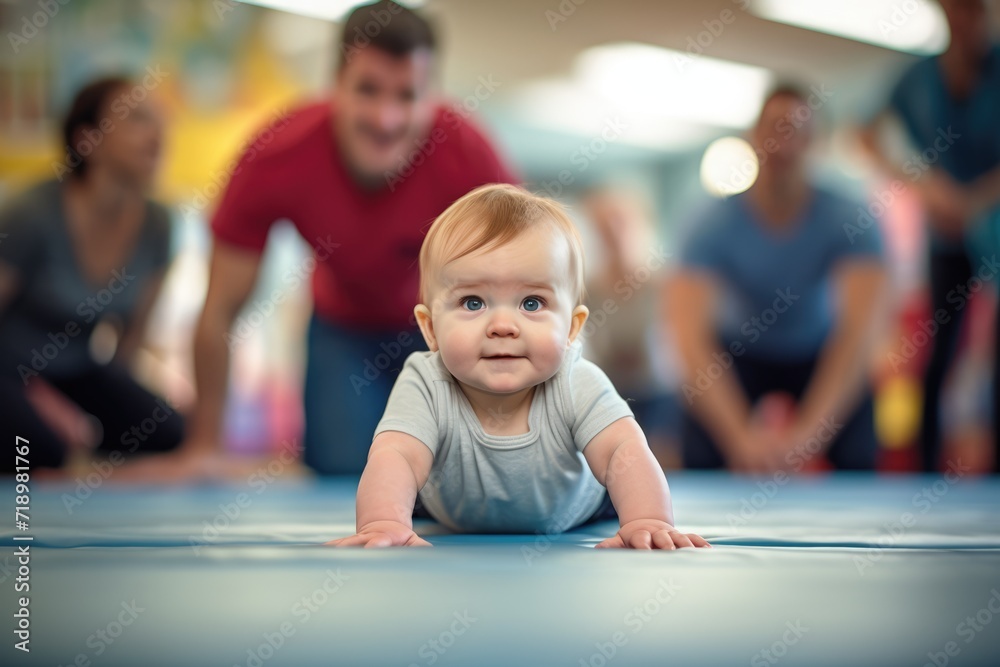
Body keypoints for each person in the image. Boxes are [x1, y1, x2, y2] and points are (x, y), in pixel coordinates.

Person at [182, 0, 518, 475]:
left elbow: (524, 293)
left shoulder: (469, 156)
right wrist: (203, 445)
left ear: (432, 98)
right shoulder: (278, 156)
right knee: (342, 473)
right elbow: (219, 308)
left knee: (466, 474)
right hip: (341, 328)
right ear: (335, 86)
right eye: (368, 90)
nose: (386, 119)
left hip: (442, 331)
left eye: (407, 95)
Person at [328, 184, 710, 549]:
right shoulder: (427, 381)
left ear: (571, 328)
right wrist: (384, 522)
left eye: (531, 303)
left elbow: (621, 451)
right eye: (473, 302)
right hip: (451, 508)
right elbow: (397, 455)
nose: (503, 326)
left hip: (575, 508)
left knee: (619, 485)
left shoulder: (576, 381)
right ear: (430, 329)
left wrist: (647, 520)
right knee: (406, 487)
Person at [667, 85, 887, 474]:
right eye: (774, 128)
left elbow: (859, 334)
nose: (784, 143)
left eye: (797, 132)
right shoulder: (709, 222)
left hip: (817, 348)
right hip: (740, 352)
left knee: (858, 446)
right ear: (753, 137)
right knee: (700, 442)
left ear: (816, 143)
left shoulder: (851, 218)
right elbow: (690, 339)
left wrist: (807, 437)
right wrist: (740, 439)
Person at [0, 76, 183, 472]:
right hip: (9, 372)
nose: (157, 136)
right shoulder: (30, 214)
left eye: (160, 121)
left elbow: (127, 349)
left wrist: (112, 411)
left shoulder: (158, 224)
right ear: (87, 139)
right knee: (38, 450)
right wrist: (34, 400)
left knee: (169, 432)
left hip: (79, 373)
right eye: (138, 120)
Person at [859, 0, 1000, 473]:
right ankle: (923, 471)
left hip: (994, 225)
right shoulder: (917, 79)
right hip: (944, 236)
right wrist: (922, 185)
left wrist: (976, 198)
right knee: (939, 350)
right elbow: (864, 135)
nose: (964, 19)